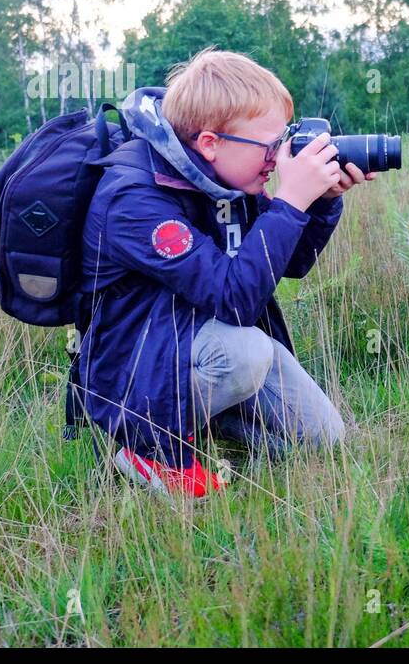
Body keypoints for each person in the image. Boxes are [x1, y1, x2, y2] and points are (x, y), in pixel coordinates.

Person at [75, 48, 374, 498]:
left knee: (322, 439)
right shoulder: (133, 197)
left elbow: (290, 263)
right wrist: (291, 201)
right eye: (271, 146)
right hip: (137, 366)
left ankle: (202, 424)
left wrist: (321, 201)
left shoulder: (226, 177)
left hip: (198, 345)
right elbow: (234, 298)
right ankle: (147, 446)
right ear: (211, 142)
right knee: (248, 352)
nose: (280, 158)